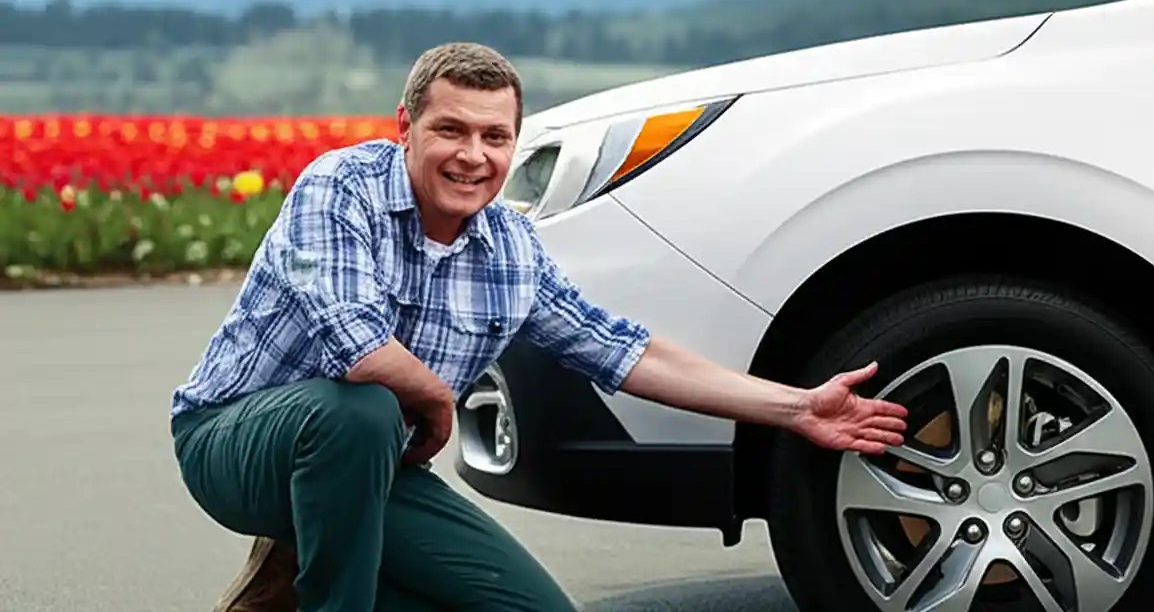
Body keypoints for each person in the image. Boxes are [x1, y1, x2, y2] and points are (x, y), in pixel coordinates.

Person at [168, 41, 910, 612]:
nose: (473, 156)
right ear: (405, 128)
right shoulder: (341, 187)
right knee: (359, 410)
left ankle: (295, 575)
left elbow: (627, 352)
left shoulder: (510, 251)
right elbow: (356, 344)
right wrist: (435, 401)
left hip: (372, 472)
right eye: (450, 130)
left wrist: (798, 407)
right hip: (235, 445)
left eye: (495, 137)